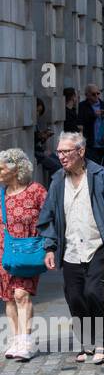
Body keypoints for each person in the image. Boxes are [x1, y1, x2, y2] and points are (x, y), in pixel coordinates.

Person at [36, 131, 104, 365]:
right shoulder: (58, 181)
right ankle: (87, 343)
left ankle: (103, 341)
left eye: (66, 151)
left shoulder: (100, 176)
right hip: (70, 249)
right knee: (75, 297)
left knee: (95, 293)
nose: (61, 156)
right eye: (59, 151)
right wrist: (50, 247)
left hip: (96, 245)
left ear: (80, 152)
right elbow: (47, 217)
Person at [0, 149, 47, 361]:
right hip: (4, 252)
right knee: (9, 298)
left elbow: (49, 217)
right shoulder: (1, 194)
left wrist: (50, 246)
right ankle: (15, 340)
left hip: (29, 250)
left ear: (16, 169)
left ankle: (26, 342)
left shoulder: (35, 190)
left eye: (2, 168)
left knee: (21, 294)